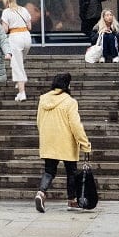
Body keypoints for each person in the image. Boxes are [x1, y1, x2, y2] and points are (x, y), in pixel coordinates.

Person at [33, 73, 91, 212]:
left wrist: (44, 135)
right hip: (66, 141)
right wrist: (84, 143)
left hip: (49, 140)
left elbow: (38, 120)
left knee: (49, 171)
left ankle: (41, 193)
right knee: (71, 171)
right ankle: (72, 200)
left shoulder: (43, 99)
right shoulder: (70, 102)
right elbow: (75, 125)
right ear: (67, 85)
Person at [0, 0, 32, 102]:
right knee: (20, 62)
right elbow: (29, 26)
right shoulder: (24, 9)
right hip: (27, 37)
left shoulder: (6, 12)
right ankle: (20, 82)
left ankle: (22, 92)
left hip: (15, 37)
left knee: (17, 65)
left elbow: (4, 30)